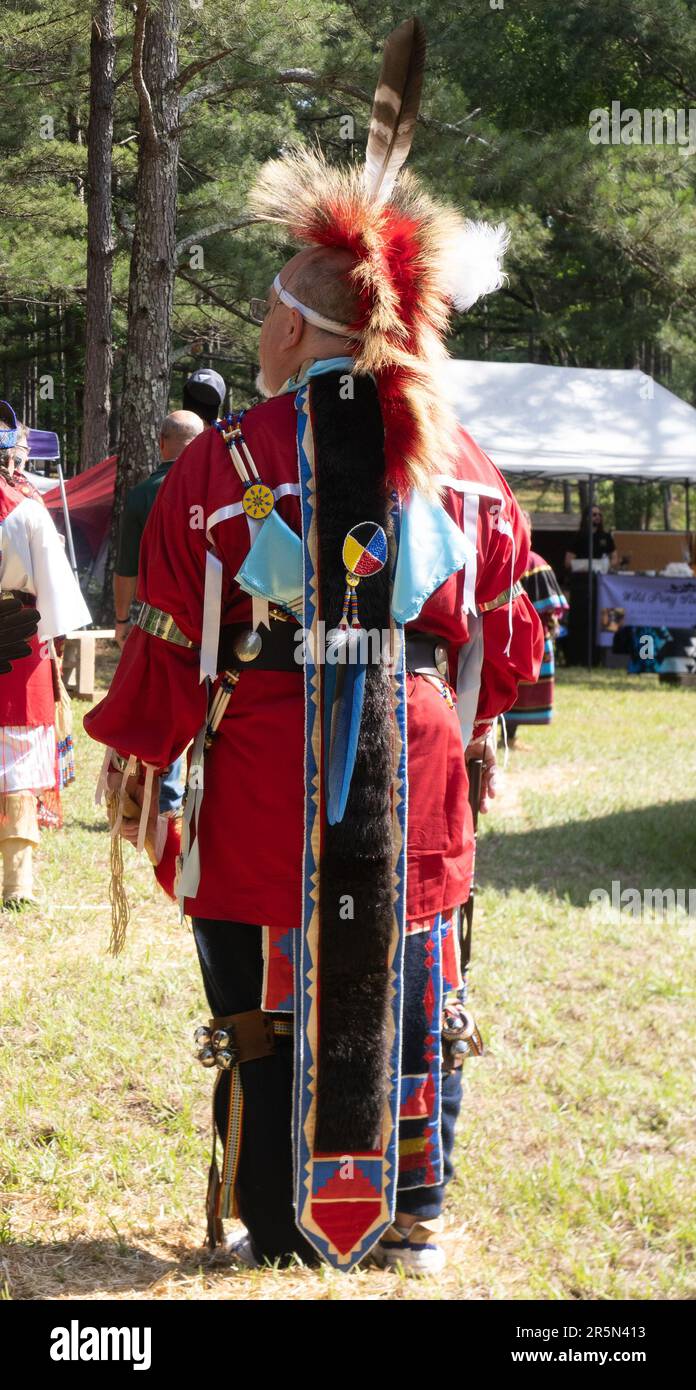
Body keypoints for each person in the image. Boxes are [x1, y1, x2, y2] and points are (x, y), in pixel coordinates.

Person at [85, 19, 542, 1275]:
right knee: (412, 972)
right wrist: (481, 716)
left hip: (264, 776)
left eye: (271, 299)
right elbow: (516, 616)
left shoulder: (218, 469)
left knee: (272, 994)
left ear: (292, 326)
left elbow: (171, 645)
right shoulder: (468, 472)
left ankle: (286, 1216)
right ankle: (409, 1212)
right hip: (418, 766)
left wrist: (136, 755)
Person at [0, 402, 91, 907]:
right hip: (20, 638)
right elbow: (56, 597)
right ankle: (18, 882)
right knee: (16, 757)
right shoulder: (29, 509)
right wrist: (53, 639)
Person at [113, 410, 205, 650]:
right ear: (201, 442)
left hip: (159, 631)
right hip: (215, 623)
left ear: (160, 442)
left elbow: (127, 569)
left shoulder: (141, 496)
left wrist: (122, 620)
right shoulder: (217, 491)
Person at [505, 513, 569, 745]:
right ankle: (508, 737)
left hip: (502, 637)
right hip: (531, 639)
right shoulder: (534, 562)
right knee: (518, 687)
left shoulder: (499, 559)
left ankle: (506, 735)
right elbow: (550, 609)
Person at [565, 503, 617, 569]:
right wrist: (583, 566)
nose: (598, 517)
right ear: (586, 517)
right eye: (594, 515)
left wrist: (605, 567)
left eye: (600, 515)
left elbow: (614, 558)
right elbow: (568, 562)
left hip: (600, 576)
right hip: (582, 576)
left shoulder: (606, 536)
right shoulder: (577, 537)